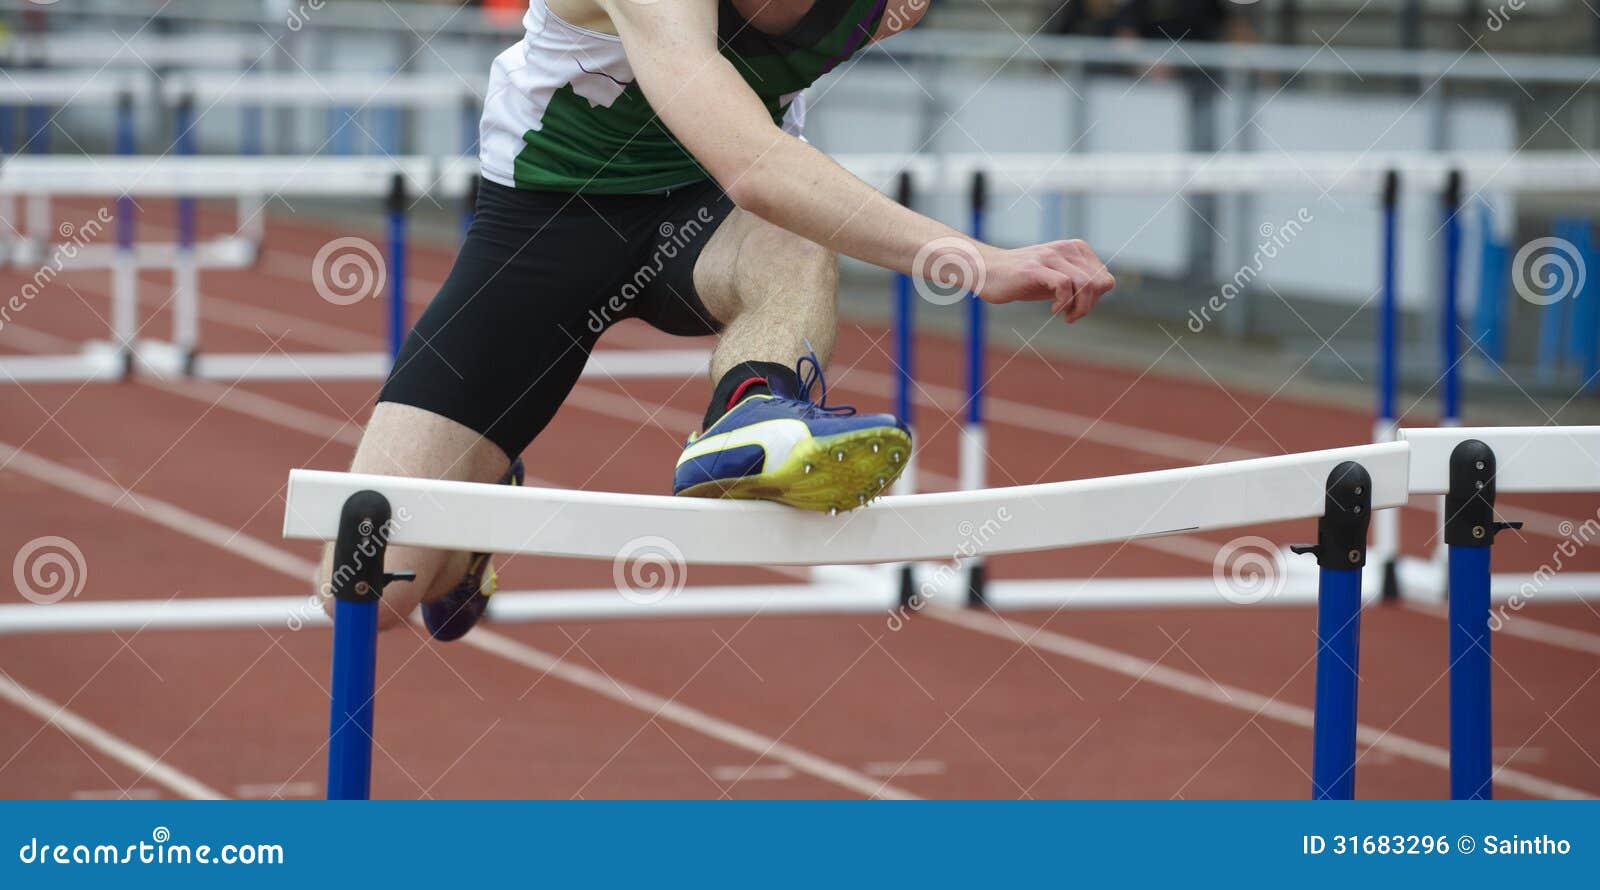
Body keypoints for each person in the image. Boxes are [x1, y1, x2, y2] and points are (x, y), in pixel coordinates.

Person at [320, 0, 1116, 640]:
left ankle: (756, 403)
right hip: (548, 222)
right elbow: (757, 165)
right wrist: (978, 262)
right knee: (358, 589)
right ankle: (472, 518)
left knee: (799, 236)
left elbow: (764, 178)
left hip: (711, 222)